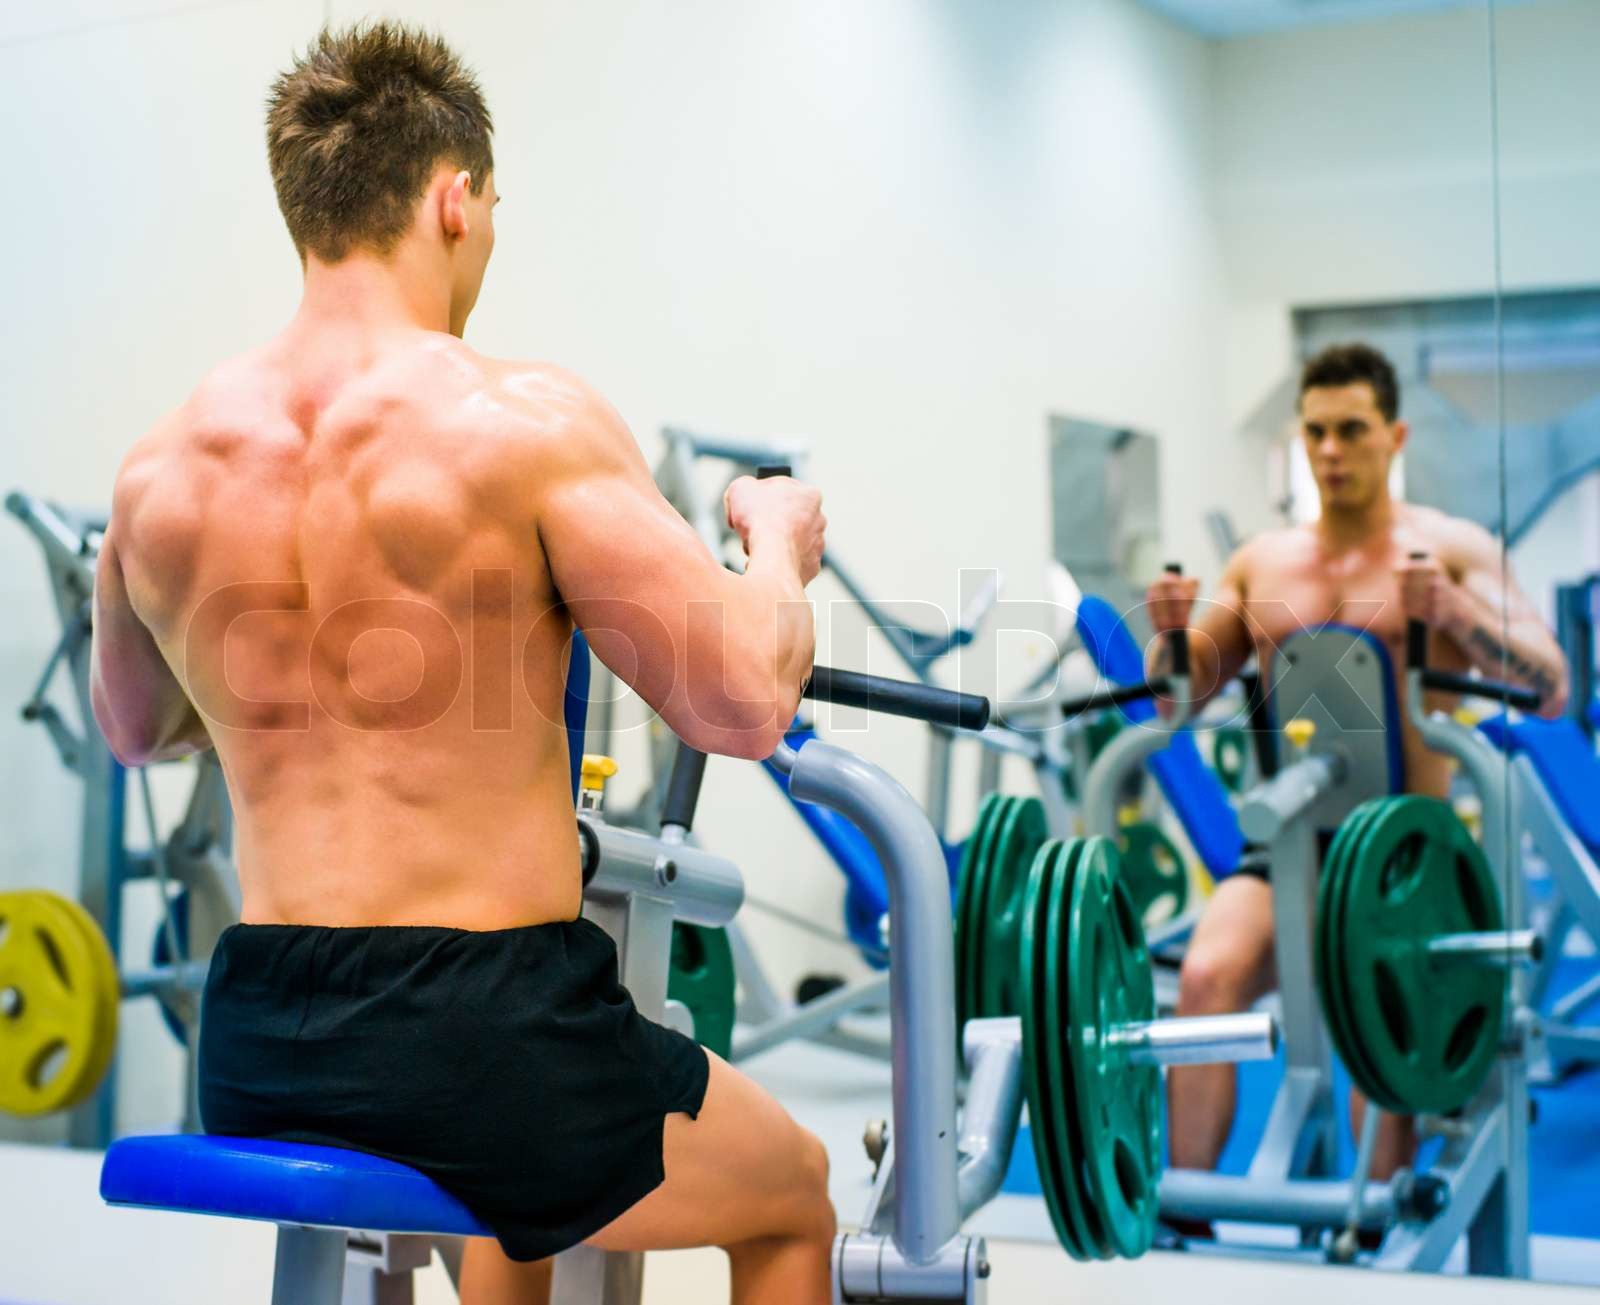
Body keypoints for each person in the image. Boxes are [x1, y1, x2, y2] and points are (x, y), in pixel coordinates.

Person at [88, 22, 834, 1305]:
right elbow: (745, 701)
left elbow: (135, 729)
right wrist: (774, 548)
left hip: (261, 1030)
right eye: (490, 210)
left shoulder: (157, 476)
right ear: (454, 195)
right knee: (796, 1195)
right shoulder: (517, 424)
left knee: (518, 1215)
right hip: (487, 1036)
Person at [1149, 342, 1568, 1211]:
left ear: (1394, 435)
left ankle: (1371, 1236)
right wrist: (1169, 635)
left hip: (1404, 858)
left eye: (1352, 430)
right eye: (1315, 431)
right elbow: (1176, 698)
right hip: (1291, 850)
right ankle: (1180, 1216)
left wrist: (1451, 613)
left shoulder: (1450, 552)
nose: (1331, 450)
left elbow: (1552, 686)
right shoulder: (1263, 563)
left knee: (1378, 1029)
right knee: (1203, 979)